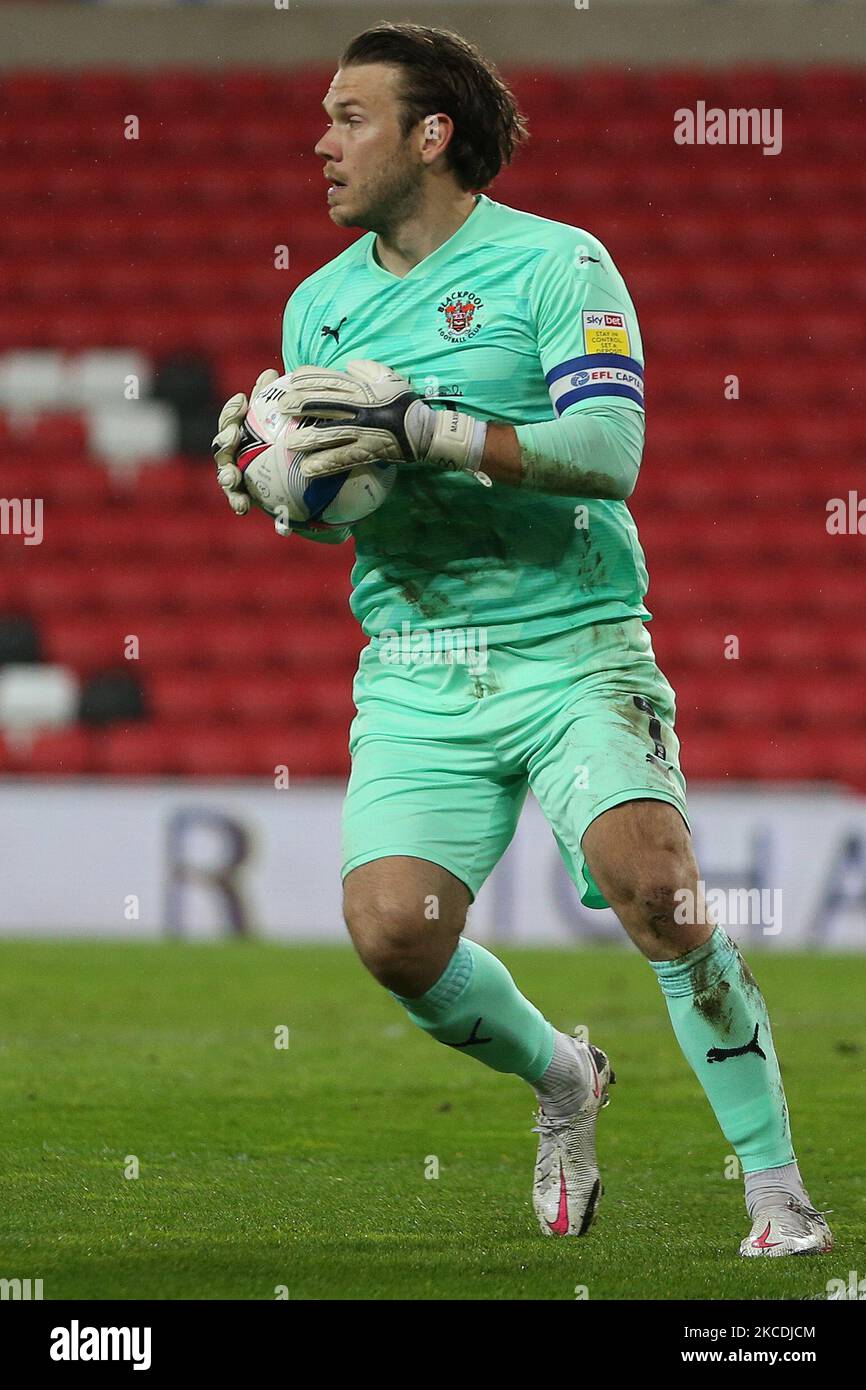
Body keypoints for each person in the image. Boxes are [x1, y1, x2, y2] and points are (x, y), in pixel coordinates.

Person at [213, 22, 830, 1256]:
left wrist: (423, 426)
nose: (319, 142)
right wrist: (281, 491)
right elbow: (357, 506)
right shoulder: (316, 305)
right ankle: (561, 1077)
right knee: (394, 935)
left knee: (651, 890)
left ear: (430, 135)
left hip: (570, 641)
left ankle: (775, 1194)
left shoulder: (560, 266)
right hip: (415, 662)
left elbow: (609, 458)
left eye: (348, 117)